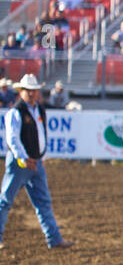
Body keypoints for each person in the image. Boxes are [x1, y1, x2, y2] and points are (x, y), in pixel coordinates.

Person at [0, 75, 73, 252]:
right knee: (5, 200)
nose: (32, 94)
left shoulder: (38, 110)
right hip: (20, 163)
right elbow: (12, 139)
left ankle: (54, 238)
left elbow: (41, 135)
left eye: (34, 91)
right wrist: (24, 158)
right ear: (21, 92)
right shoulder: (16, 112)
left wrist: (40, 158)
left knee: (43, 201)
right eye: (29, 91)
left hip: (36, 162)